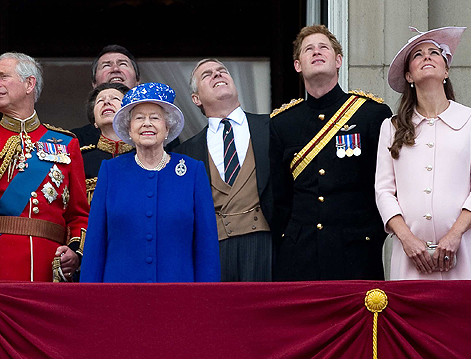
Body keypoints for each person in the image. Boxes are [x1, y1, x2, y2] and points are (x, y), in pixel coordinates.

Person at [270, 25, 392, 281]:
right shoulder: (282, 123)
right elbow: (279, 197)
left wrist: (371, 235)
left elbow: (385, 183)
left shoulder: (371, 114)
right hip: (299, 254)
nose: (316, 52)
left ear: (338, 61)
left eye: (323, 47)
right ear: (297, 65)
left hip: (356, 252)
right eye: (308, 49)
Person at [375, 27, 471, 280]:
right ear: (409, 75)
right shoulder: (392, 127)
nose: (426, 56)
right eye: (417, 55)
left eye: (434, 52)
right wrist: (406, 238)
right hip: (410, 255)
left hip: (462, 248)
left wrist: (455, 235)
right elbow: (384, 190)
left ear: (446, 70)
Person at [0, 52, 89, 282]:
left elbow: (79, 214)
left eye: (3, 76)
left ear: (29, 84)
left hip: (49, 267)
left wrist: (74, 252)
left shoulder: (66, 144)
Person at [80, 82, 220, 282]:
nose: (147, 123)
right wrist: (90, 295)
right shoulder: (111, 171)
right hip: (120, 292)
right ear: (129, 129)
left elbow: (206, 245)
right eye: (139, 118)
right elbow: (95, 242)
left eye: (155, 117)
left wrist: (206, 296)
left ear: (167, 127)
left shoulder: (192, 171)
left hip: (178, 291)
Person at [175, 59, 273, 281]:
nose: (217, 74)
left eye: (222, 71)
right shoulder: (185, 152)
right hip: (213, 249)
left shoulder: (272, 127)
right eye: (207, 74)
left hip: (265, 244)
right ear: (196, 99)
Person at [71, 45, 140, 149]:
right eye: (106, 65)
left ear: (138, 81)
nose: (115, 69)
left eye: (123, 64)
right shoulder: (75, 140)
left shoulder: (157, 136)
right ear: (94, 83)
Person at [79, 82, 133, 203]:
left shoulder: (144, 156)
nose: (107, 102)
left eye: (115, 99)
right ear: (94, 121)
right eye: (100, 101)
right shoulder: (80, 159)